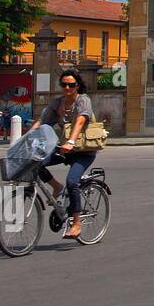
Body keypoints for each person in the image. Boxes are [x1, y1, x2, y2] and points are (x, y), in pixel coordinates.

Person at [28, 72, 96, 239]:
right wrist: (26, 138)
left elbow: (80, 120)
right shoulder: (57, 103)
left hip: (82, 150)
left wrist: (71, 141)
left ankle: (77, 223)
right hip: (64, 149)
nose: (67, 88)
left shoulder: (83, 100)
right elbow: (42, 121)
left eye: (71, 85)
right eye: (64, 84)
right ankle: (56, 187)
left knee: (72, 182)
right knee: (35, 163)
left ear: (77, 86)